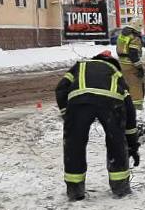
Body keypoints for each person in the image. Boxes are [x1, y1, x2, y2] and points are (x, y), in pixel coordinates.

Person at [55, 50, 140, 201]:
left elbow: (60, 88)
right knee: (116, 142)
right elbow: (130, 112)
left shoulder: (80, 66)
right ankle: (120, 187)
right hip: (111, 103)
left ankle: (75, 191)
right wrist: (132, 145)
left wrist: (66, 113)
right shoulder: (116, 73)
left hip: (79, 102)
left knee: (74, 144)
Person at [115, 25, 145, 112]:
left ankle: (123, 105)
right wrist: (139, 68)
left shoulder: (123, 35)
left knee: (125, 85)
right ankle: (136, 108)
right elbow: (133, 54)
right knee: (135, 85)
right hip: (131, 65)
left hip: (121, 63)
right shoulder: (135, 38)